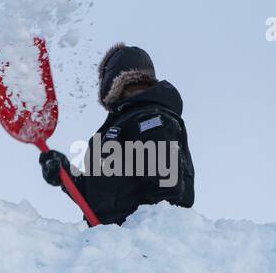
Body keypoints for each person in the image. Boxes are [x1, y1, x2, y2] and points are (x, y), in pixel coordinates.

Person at [39, 43, 195, 225]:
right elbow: (96, 200)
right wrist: (65, 175)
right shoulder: (113, 131)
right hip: (110, 242)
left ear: (112, 80)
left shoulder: (150, 119)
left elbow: (168, 190)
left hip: (138, 243)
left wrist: (153, 238)